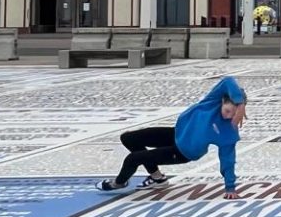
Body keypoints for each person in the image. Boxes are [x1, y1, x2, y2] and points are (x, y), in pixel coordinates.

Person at [98, 77, 247, 197]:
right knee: (128, 138)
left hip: (183, 152)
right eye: (228, 111)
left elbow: (228, 159)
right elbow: (228, 81)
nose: (230, 117)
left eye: (234, 114)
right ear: (222, 101)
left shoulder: (229, 130)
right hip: (176, 134)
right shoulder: (211, 102)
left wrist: (230, 187)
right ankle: (158, 178)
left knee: (133, 159)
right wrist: (240, 105)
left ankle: (118, 183)